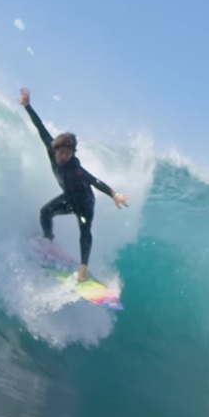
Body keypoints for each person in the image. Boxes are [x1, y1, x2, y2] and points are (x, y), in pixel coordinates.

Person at [20, 87, 129, 282]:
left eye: (68, 154)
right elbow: (40, 128)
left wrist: (114, 195)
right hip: (69, 198)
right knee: (45, 212)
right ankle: (48, 242)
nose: (63, 157)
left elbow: (94, 180)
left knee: (84, 229)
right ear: (56, 150)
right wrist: (28, 106)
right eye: (61, 153)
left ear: (73, 154)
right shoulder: (51, 147)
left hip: (85, 202)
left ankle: (83, 269)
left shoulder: (75, 168)